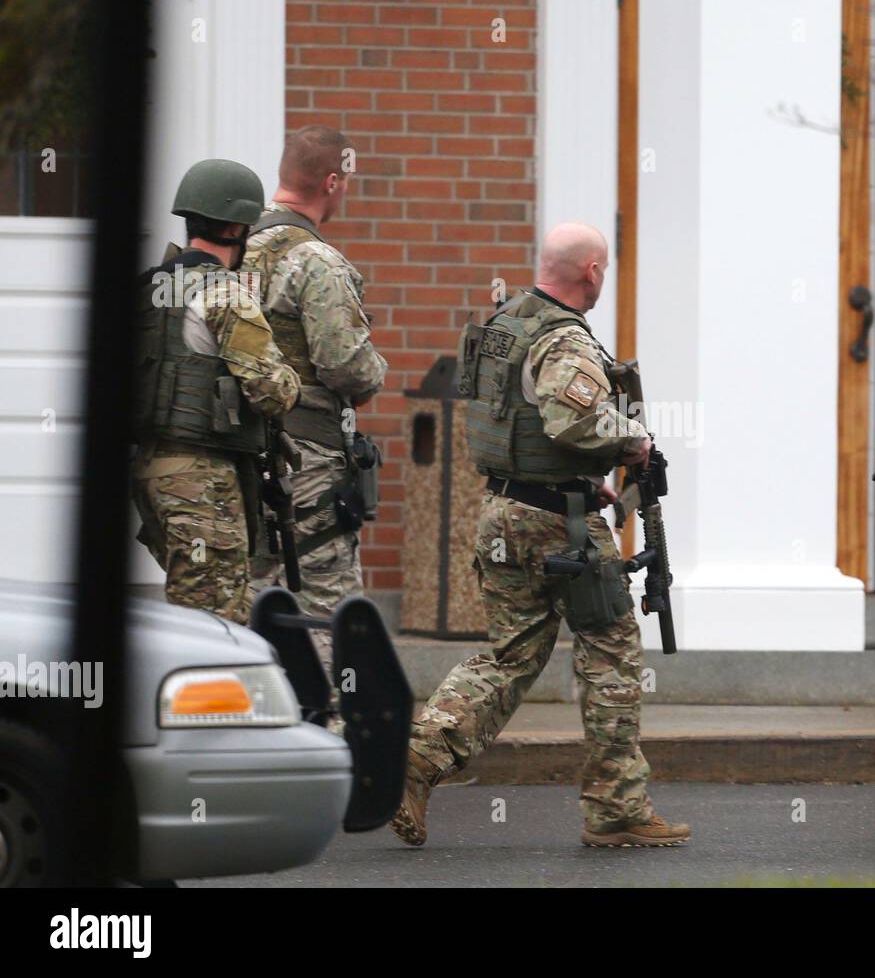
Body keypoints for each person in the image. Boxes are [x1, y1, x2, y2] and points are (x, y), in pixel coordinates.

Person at [389, 222, 690, 849]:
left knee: (511, 656)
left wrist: (587, 482)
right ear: (593, 272)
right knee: (609, 655)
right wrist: (634, 440)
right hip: (560, 529)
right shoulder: (565, 338)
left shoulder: (506, 325)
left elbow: (528, 425)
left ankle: (419, 760)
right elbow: (568, 416)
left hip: (504, 510)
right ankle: (616, 809)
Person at [243, 126, 388, 672]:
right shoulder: (317, 263)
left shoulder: (233, 248)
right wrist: (378, 369)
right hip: (304, 462)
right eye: (346, 179)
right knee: (328, 608)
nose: (348, 189)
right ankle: (331, 731)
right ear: (332, 181)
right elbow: (347, 367)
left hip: (238, 458)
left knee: (254, 596)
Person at [132, 159, 300, 624]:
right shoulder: (223, 293)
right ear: (235, 227)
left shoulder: (150, 286)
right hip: (200, 478)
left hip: (151, 470)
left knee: (205, 606)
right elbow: (272, 392)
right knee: (214, 623)